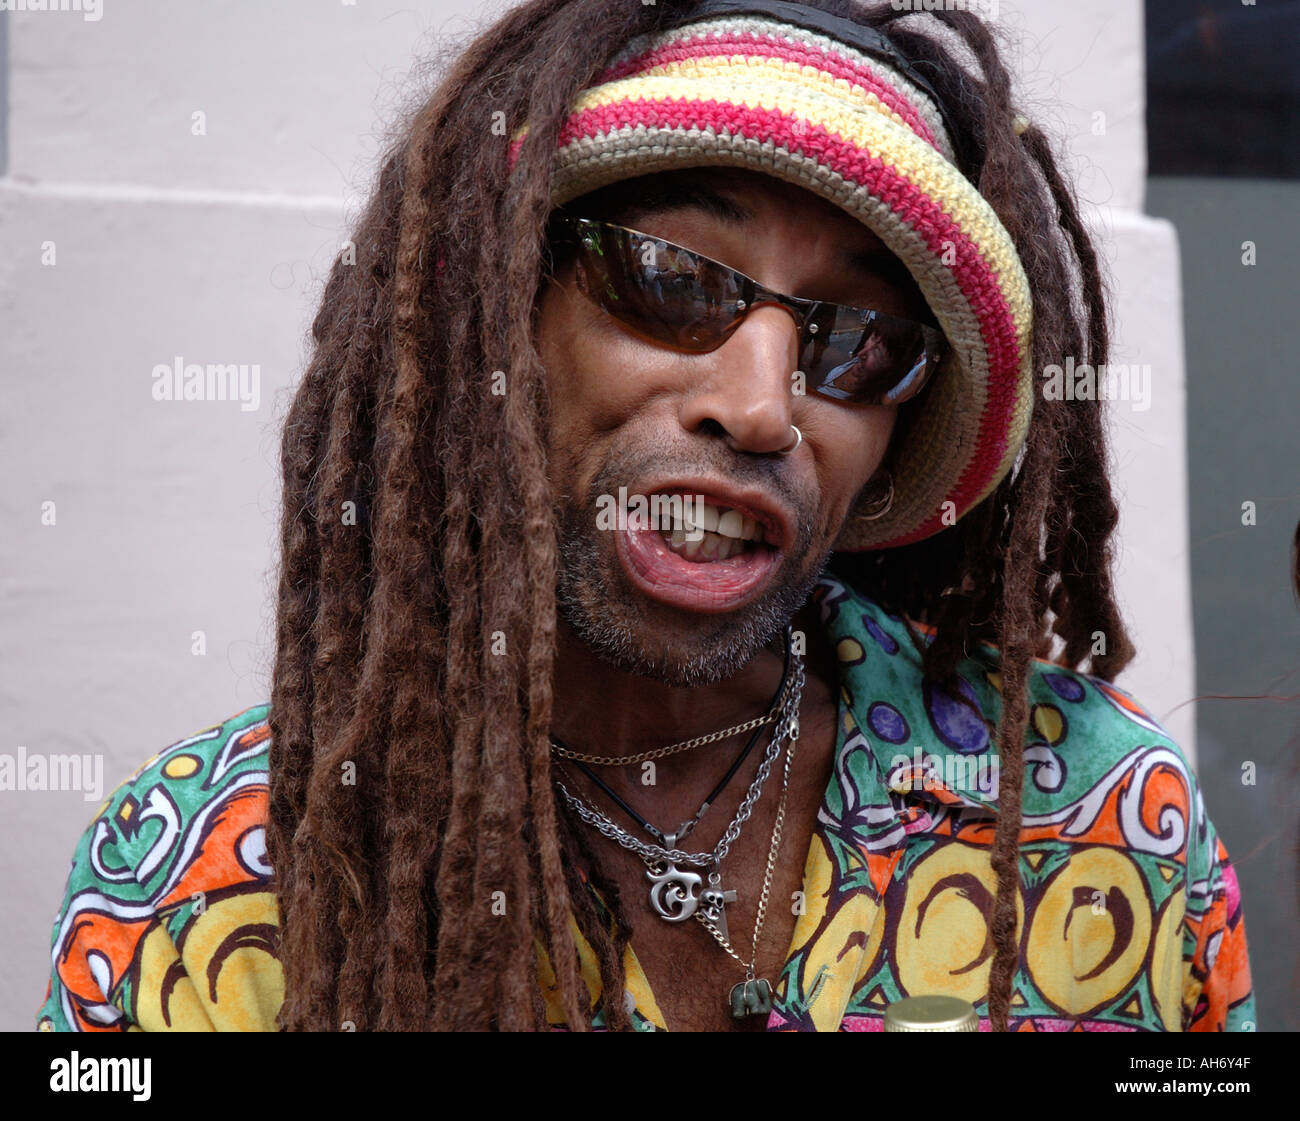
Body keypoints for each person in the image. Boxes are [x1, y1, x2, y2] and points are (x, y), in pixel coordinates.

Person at [37, 0, 1254, 1032]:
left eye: (859, 342)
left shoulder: (1088, 817)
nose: (762, 405)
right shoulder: (206, 873)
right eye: (670, 280)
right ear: (507, 316)